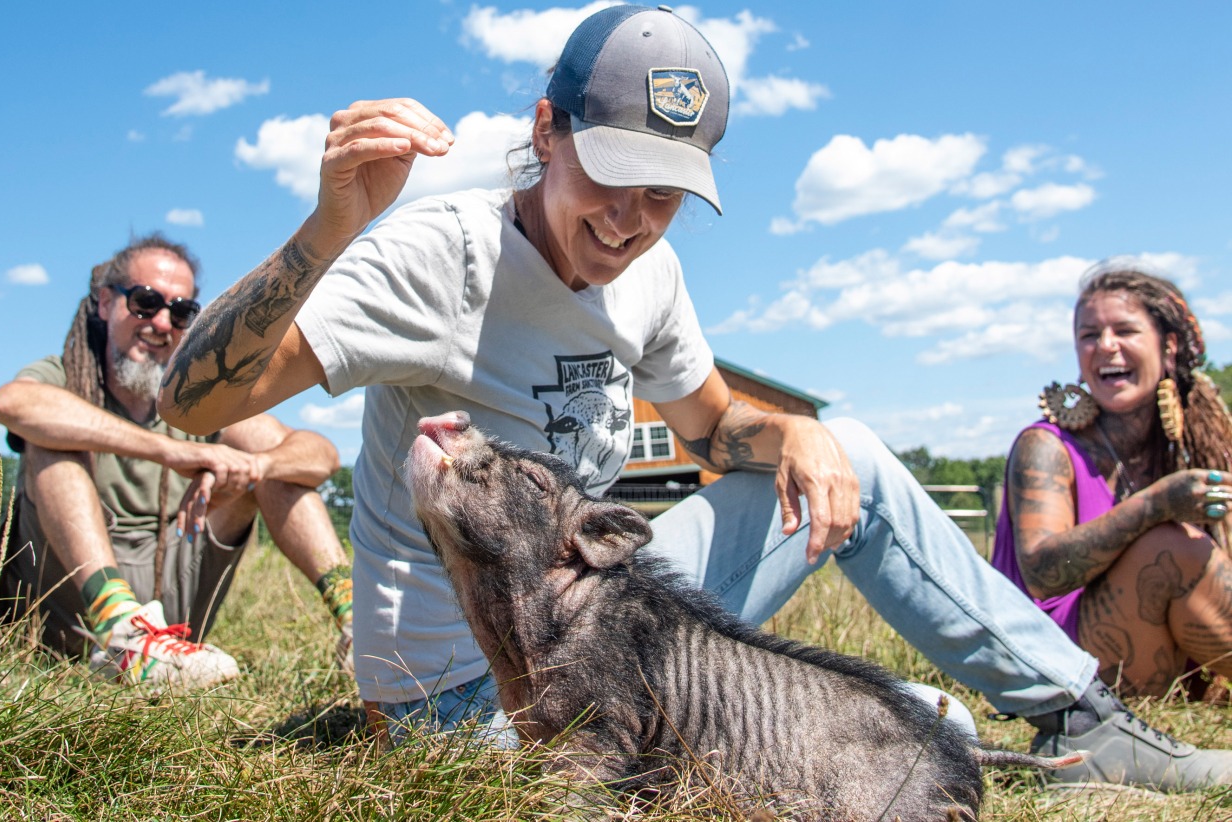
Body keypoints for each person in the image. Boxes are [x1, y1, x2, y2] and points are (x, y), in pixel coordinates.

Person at [156, 5, 1231, 789]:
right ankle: (971, 727)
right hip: (468, 697)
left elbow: (714, 425)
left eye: (664, 192)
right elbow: (196, 407)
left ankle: (1070, 718)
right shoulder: (451, 255)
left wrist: (796, 431)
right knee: (903, 727)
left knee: (843, 443)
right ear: (546, 132)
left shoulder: (649, 274)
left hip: (615, 626)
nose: (629, 219)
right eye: (609, 174)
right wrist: (332, 225)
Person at [0, 234, 355, 689]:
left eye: (181, 312)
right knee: (46, 442)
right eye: (145, 302)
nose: (163, 322)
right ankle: (122, 630)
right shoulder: (64, 375)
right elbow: (13, 403)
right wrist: (174, 450)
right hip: (69, 604)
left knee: (278, 464)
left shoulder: (192, 400)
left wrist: (257, 467)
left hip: (170, 592)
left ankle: (359, 624)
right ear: (106, 303)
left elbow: (320, 454)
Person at [993, 259, 1232, 699]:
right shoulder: (1046, 447)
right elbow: (1043, 574)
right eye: (1089, 335)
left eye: (1124, 330)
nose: (1105, 345)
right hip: (1056, 659)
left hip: (1161, 652)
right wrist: (1155, 505)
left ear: (1169, 347)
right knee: (1170, 547)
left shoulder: (1183, 447)